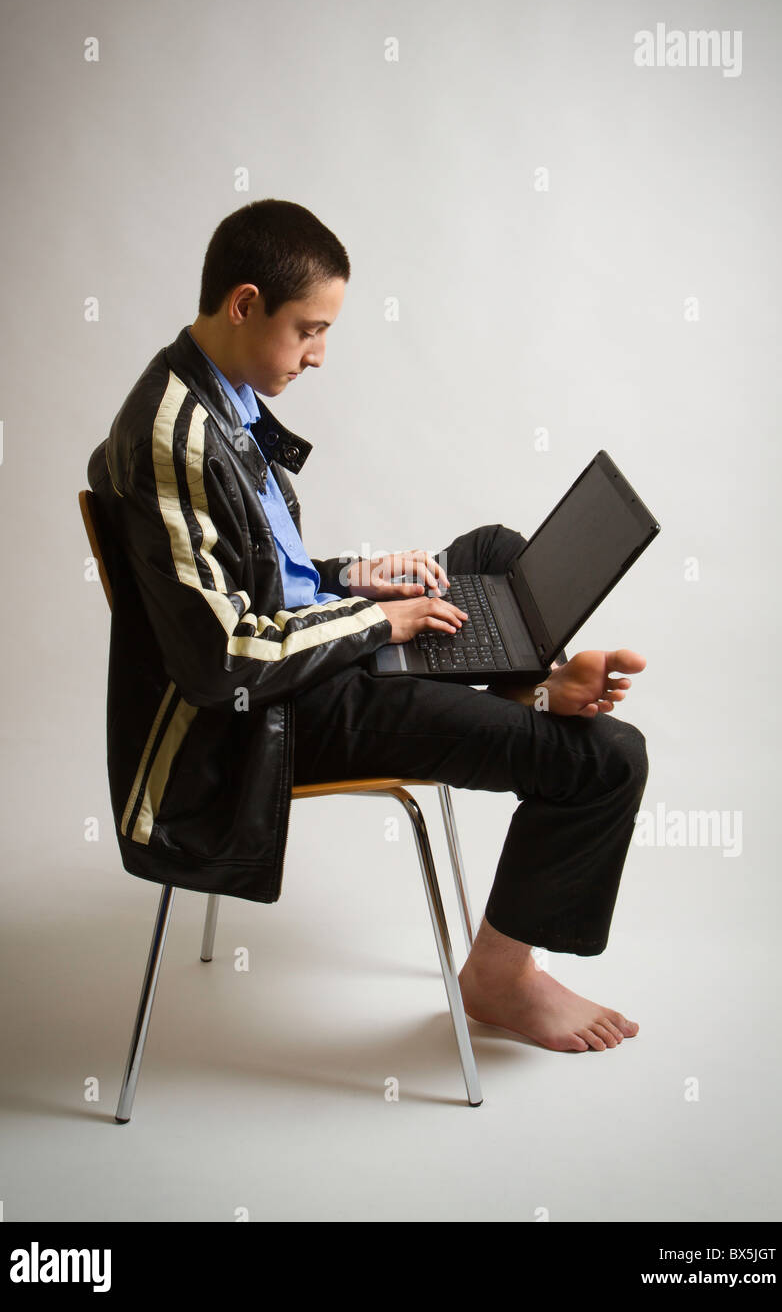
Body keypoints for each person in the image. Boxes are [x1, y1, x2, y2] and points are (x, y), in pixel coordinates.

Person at [88, 198, 649, 1058]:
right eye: (308, 330)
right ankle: (500, 971)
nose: (317, 355)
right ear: (244, 305)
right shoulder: (177, 437)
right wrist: (377, 621)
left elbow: (258, 575)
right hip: (255, 726)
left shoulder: (219, 394)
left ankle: (530, 682)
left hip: (301, 663)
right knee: (609, 758)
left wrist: (351, 577)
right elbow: (222, 659)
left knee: (493, 554)